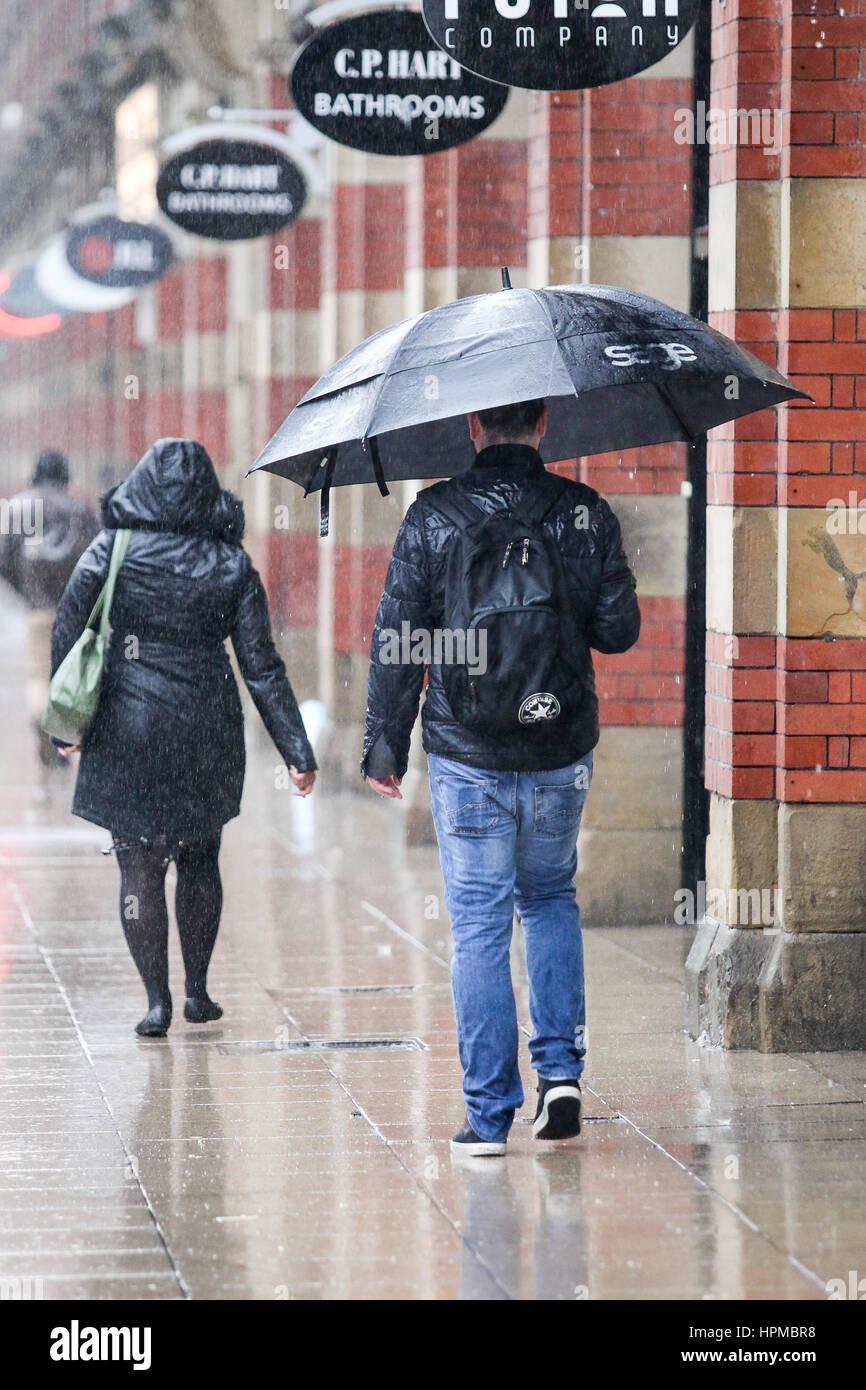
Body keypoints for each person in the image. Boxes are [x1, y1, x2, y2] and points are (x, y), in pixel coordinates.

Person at [361, 400, 640, 1155]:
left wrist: (385, 745)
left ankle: (488, 1116)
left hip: (466, 751)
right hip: (559, 747)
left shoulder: (432, 516)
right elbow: (620, 632)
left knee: (480, 927)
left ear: (474, 427)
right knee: (550, 897)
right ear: (544, 424)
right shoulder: (584, 512)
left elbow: (399, 638)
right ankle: (561, 1078)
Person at [51, 438, 316, 1037]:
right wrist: (296, 750)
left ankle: (156, 1000)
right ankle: (197, 989)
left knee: (139, 868)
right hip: (205, 728)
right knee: (200, 859)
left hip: (128, 727)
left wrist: (63, 727)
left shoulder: (111, 550)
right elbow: (261, 665)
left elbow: (69, 627)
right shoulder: (230, 564)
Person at [0, 449, 98, 766]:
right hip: (73, 608)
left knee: (38, 674)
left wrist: (26, 589)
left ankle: (39, 715)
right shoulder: (80, 510)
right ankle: (62, 735)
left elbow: (4, 558)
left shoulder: (18, 508)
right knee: (68, 676)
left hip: (38, 609)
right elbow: (97, 557)